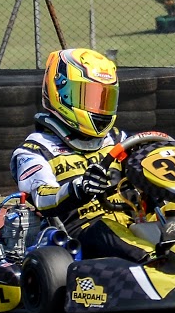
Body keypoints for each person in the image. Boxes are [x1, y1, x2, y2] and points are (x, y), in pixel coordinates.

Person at [11, 48, 137, 258]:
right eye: (90, 97)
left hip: (134, 224)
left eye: (104, 99)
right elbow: (43, 198)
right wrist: (78, 188)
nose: (99, 108)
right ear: (62, 93)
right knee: (106, 230)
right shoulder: (35, 150)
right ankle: (159, 268)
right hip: (82, 237)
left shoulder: (118, 139)